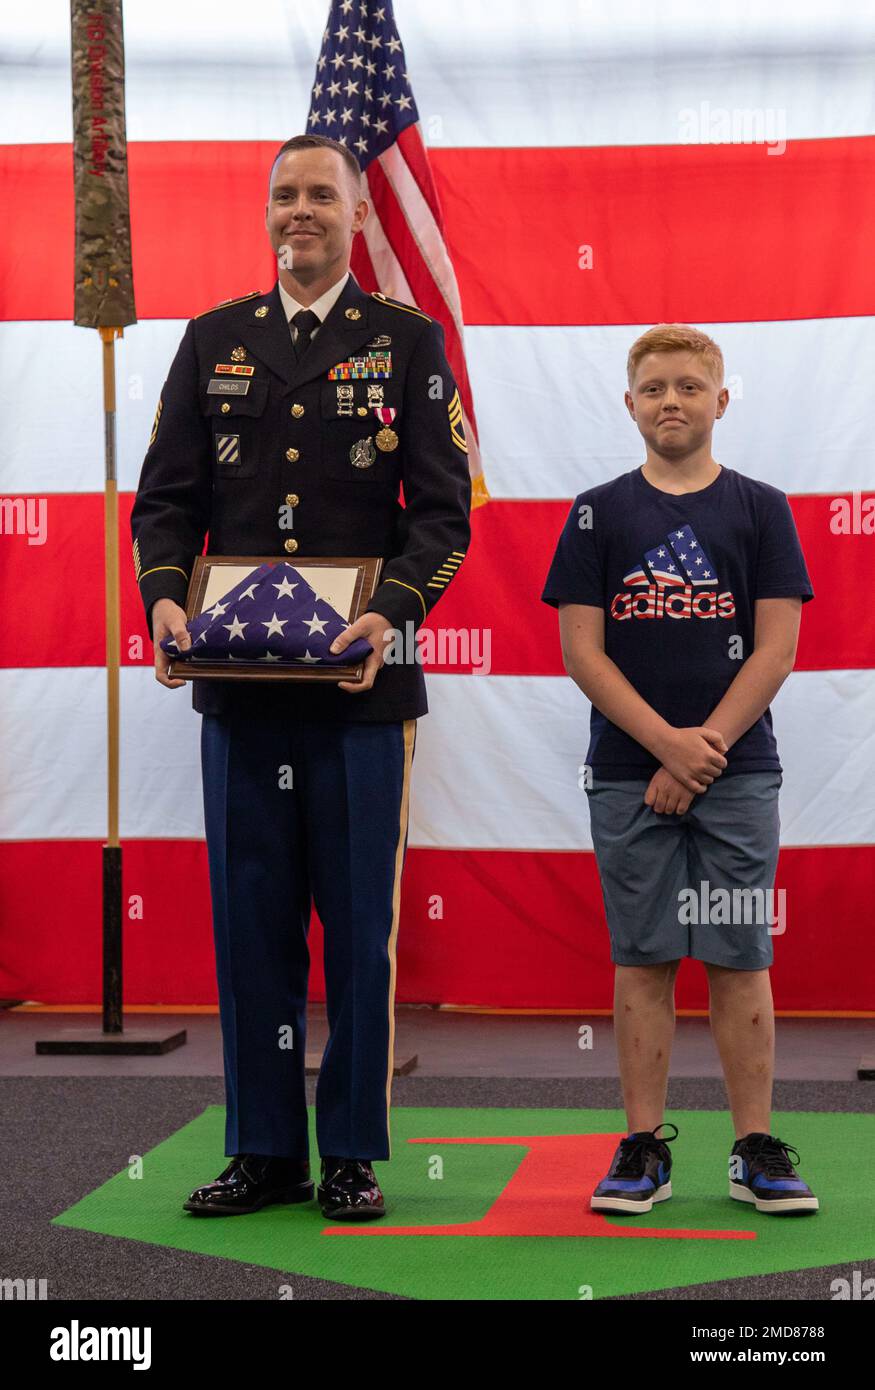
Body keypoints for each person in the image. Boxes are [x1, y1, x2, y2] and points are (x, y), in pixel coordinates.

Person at [130, 134, 471, 1219]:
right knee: (251, 923)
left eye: (321, 193)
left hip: (362, 693)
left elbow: (445, 517)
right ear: (266, 211)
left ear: (358, 216)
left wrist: (389, 614)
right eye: (283, 194)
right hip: (237, 695)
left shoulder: (405, 344)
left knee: (358, 930)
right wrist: (165, 600)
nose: (299, 211)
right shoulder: (211, 340)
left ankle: (351, 1152)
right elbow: (163, 503)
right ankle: (264, 1148)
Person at [541, 323, 819, 1216]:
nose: (671, 402)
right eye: (654, 388)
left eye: (689, 388)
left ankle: (753, 1148)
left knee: (737, 954)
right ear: (628, 405)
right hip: (629, 773)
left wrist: (700, 756)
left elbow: (774, 649)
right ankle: (640, 1146)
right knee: (646, 956)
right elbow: (582, 652)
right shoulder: (596, 511)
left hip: (737, 776)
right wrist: (663, 744)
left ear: (720, 401)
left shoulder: (759, 508)